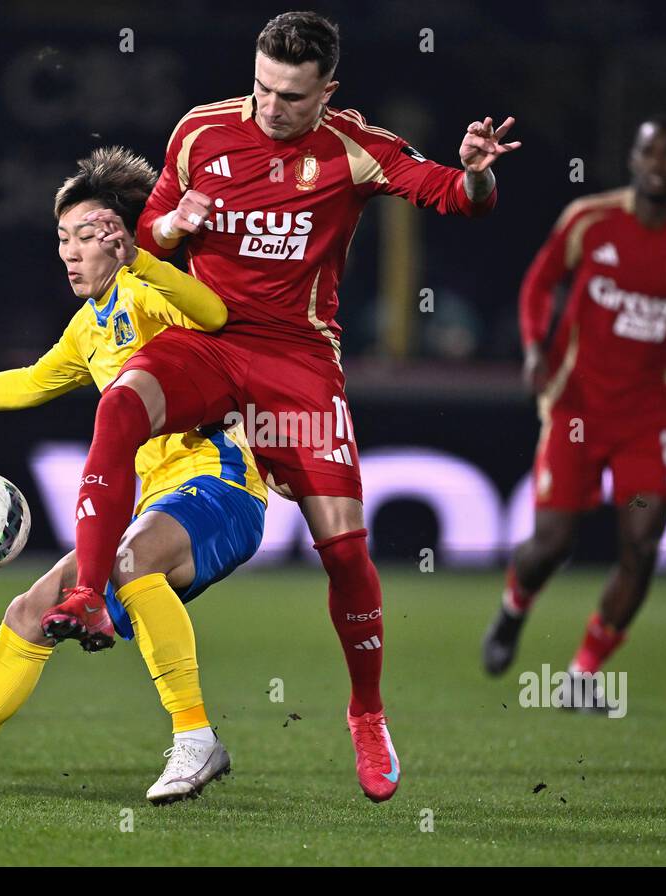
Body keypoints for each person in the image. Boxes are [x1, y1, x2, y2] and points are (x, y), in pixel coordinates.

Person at [39, 10, 520, 802]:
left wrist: (475, 172)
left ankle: (367, 712)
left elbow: (456, 199)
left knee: (342, 551)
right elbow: (151, 236)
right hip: (210, 340)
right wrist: (172, 222)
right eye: (262, 87)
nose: (270, 107)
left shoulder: (355, 149)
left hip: (296, 362)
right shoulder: (199, 134)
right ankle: (91, 591)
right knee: (119, 406)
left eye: (292, 97)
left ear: (328, 92)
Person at [0, 147, 267, 805]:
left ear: (123, 238)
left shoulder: (150, 290)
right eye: (63, 239)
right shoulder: (88, 327)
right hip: (155, 504)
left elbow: (215, 315)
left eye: (88, 236)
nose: (71, 252)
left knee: (130, 563)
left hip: (221, 486)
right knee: (29, 611)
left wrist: (146, 259)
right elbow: (28, 383)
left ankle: (196, 740)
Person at [481, 117, 666, 703]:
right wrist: (532, 350)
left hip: (650, 418)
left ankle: (583, 673)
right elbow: (538, 285)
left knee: (642, 542)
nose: (658, 163)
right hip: (576, 408)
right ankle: (512, 609)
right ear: (632, 159)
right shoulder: (589, 219)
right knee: (552, 543)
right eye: (648, 151)